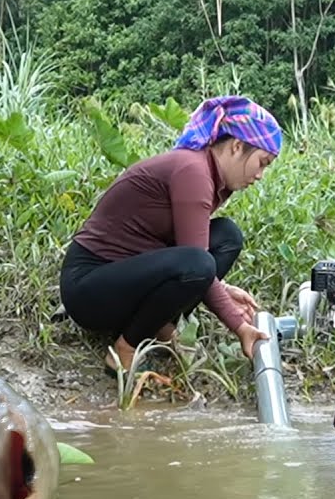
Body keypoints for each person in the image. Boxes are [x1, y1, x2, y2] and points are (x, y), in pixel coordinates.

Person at [58, 94, 282, 377]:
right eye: (262, 162)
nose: (260, 174)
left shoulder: (208, 173)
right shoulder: (194, 171)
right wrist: (240, 326)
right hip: (89, 287)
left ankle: (157, 325)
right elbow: (195, 261)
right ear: (237, 147)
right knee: (200, 265)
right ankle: (124, 349)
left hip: (129, 273)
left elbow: (189, 250)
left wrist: (221, 289)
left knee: (227, 237)